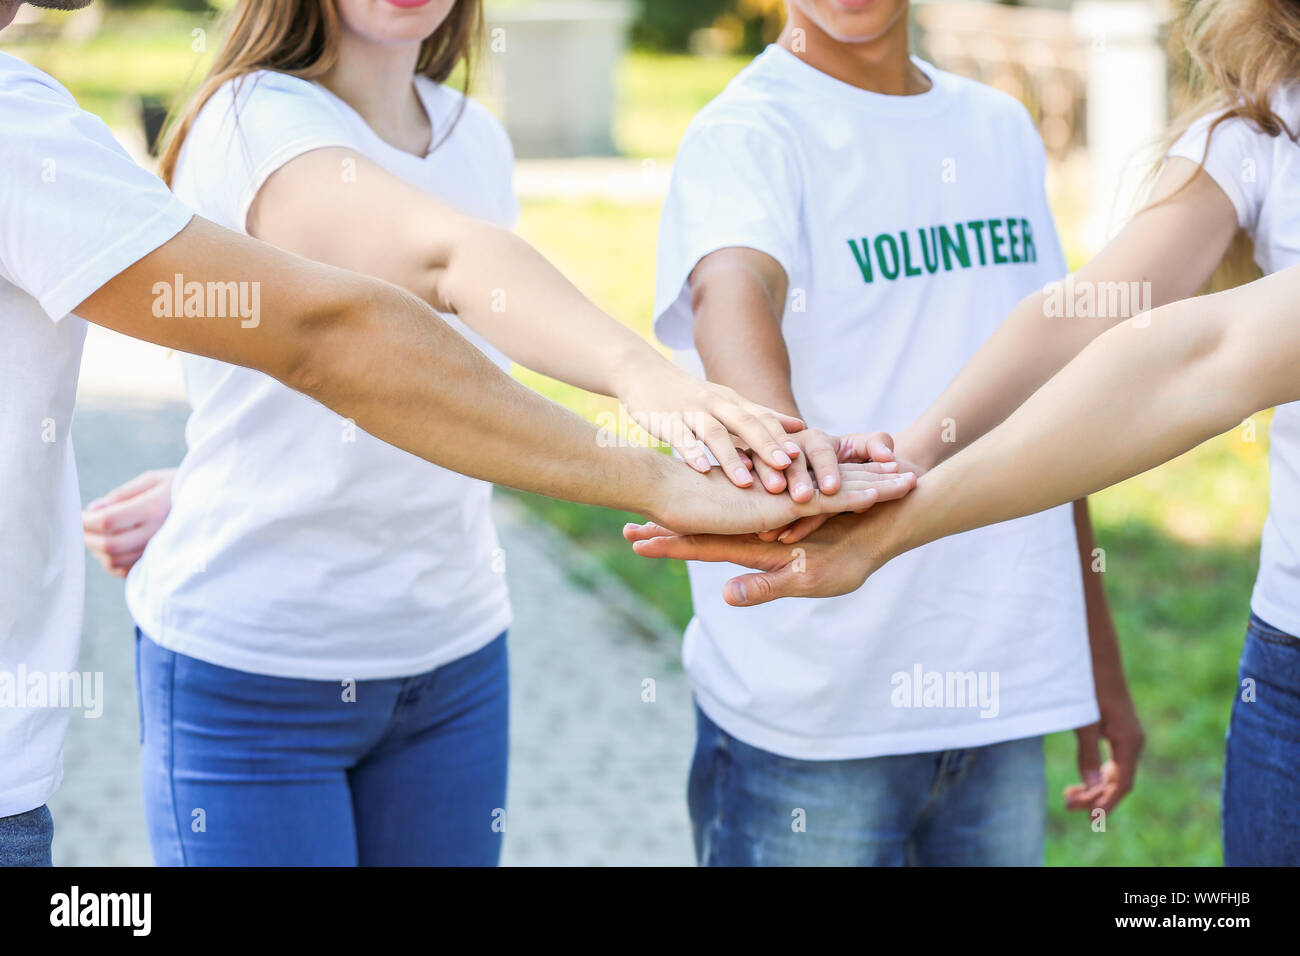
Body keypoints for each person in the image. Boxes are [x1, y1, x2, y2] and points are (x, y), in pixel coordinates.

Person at [0, 0, 896, 868]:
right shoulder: (250, 121)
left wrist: (207, 477)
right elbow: (404, 294)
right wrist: (656, 407)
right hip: (259, 669)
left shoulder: (474, 135)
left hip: (452, 652)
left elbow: (438, 376)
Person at [628, 0, 1300, 866]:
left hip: (999, 676)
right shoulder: (1259, 118)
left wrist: (1083, 652)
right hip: (826, 692)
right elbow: (1098, 327)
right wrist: (843, 464)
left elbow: (1183, 358)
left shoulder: (995, 126)